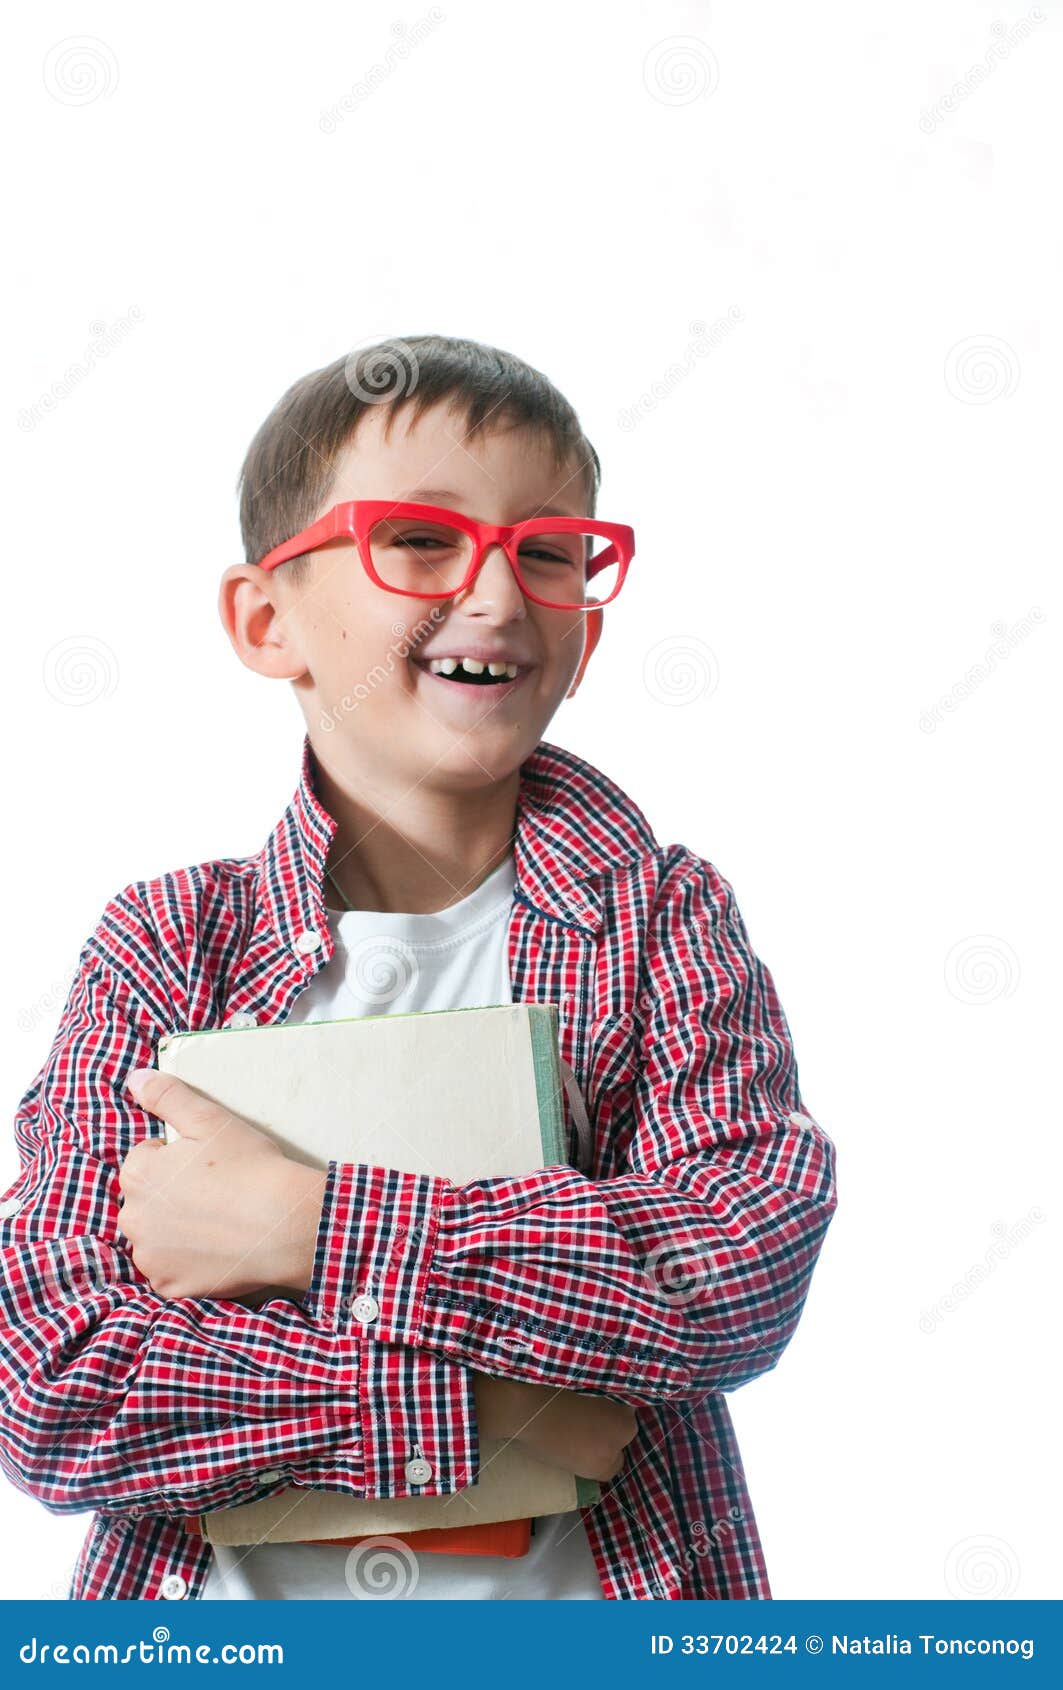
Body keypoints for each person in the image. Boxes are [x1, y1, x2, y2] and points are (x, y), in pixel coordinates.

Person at [0, 334, 837, 1601]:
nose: (498, 596)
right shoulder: (166, 945)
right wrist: (491, 1413)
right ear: (265, 618)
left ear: (587, 629)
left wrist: (315, 1228)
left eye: (549, 551)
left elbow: (733, 1264)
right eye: (422, 541)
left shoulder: (658, 917)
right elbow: (51, 1380)